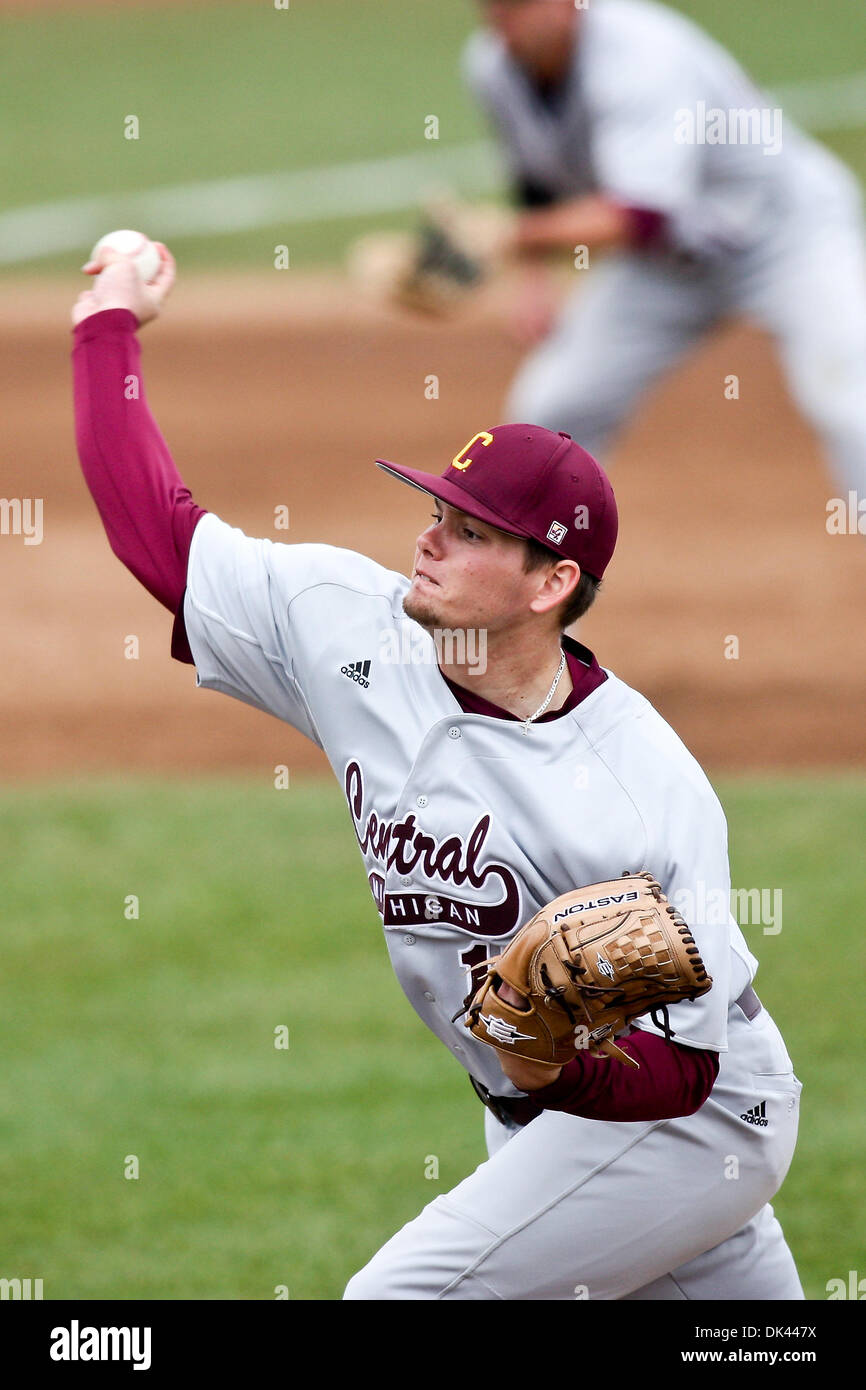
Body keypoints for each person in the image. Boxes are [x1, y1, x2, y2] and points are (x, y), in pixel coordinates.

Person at [71, 251, 803, 1300]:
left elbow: (679, 1068)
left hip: (690, 1123)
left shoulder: (639, 784)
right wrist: (106, 324)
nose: (429, 541)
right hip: (546, 1127)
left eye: (470, 533)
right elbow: (159, 536)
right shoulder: (349, 629)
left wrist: (555, 1065)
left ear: (552, 582)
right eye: (437, 511)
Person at [464, 0, 866, 499]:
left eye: (521, 7)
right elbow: (534, 179)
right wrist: (533, 279)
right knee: (553, 409)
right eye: (495, 8)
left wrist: (507, 235)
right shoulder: (491, 66)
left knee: (850, 401)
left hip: (788, 236)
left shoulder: (642, 54)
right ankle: (537, 568)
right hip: (666, 262)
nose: (505, 21)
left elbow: (640, 214)